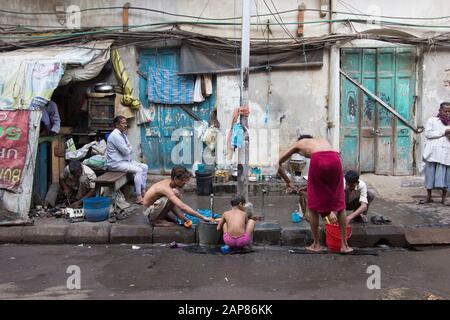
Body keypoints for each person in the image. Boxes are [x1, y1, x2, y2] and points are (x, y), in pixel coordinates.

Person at [278, 135, 353, 253]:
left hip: (318, 160)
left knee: (313, 203)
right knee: (339, 200)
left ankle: (316, 244)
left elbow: (277, 163)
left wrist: (288, 182)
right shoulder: (321, 140)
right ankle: (344, 245)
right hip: (335, 158)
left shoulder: (299, 144)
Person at [143, 165, 213, 227]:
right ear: (175, 179)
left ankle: (161, 217)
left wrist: (183, 218)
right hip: (149, 214)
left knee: (175, 194)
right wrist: (202, 217)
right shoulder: (165, 188)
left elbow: (173, 204)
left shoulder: (171, 184)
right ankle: (156, 221)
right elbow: (182, 207)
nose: (184, 183)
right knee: (172, 196)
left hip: (153, 209)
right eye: (183, 181)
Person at [106, 116, 148, 204]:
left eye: (126, 123)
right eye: (123, 123)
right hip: (116, 163)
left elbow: (129, 148)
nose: (125, 125)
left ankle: (143, 190)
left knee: (144, 167)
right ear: (117, 125)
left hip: (124, 161)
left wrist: (128, 148)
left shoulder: (123, 134)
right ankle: (139, 197)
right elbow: (126, 151)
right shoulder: (115, 136)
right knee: (139, 170)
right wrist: (129, 148)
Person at [422, 102, 450, 205]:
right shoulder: (432, 120)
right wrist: (444, 132)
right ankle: (429, 196)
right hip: (433, 153)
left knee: (446, 177)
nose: (448, 113)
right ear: (440, 110)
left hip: (446, 154)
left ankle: (444, 198)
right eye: (445, 111)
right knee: (430, 175)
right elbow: (428, 134)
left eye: (449, 111)